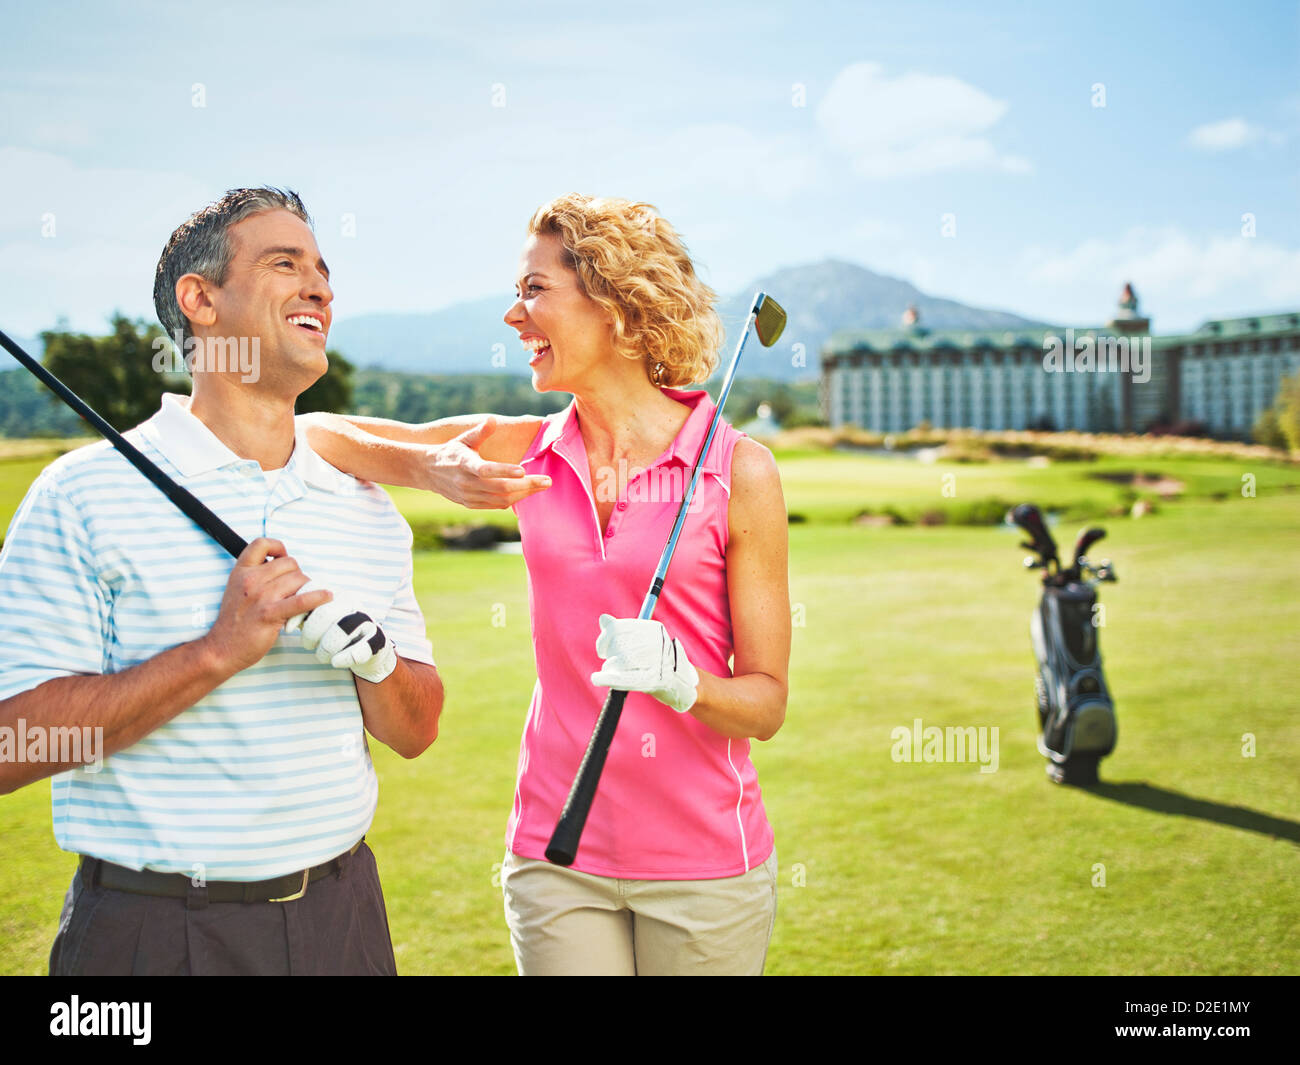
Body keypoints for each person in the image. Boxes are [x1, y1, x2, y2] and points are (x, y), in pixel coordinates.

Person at [302, 193, 790, 975]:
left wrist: (682, 682)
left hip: (706, 863)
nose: (512, 314)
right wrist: (434, 468)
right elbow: (316, 432)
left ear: (619, 306)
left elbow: (766, 703)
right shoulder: (521, 448)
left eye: (534, 290)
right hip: (556, 850)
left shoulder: (739, 470)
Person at [0, 187, 445, 976]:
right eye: (285, 263)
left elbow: (415, 732)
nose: (321, 288)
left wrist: (378, 663)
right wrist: (218, 650)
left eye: (323, 270)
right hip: (150, 933)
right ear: (199, 300)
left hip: (344, 919)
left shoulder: (366, 508)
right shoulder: (79, 495)